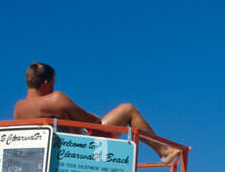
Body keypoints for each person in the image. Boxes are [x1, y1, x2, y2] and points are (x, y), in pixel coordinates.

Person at [13, 63, 178, 163]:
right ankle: (163, 152)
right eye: (54, 82)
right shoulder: (55, 99)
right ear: (46, 83)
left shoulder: (18, 109)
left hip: (50, 156)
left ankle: (163, 152)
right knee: (128, 110)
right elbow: (93, 123)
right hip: (81, 149)